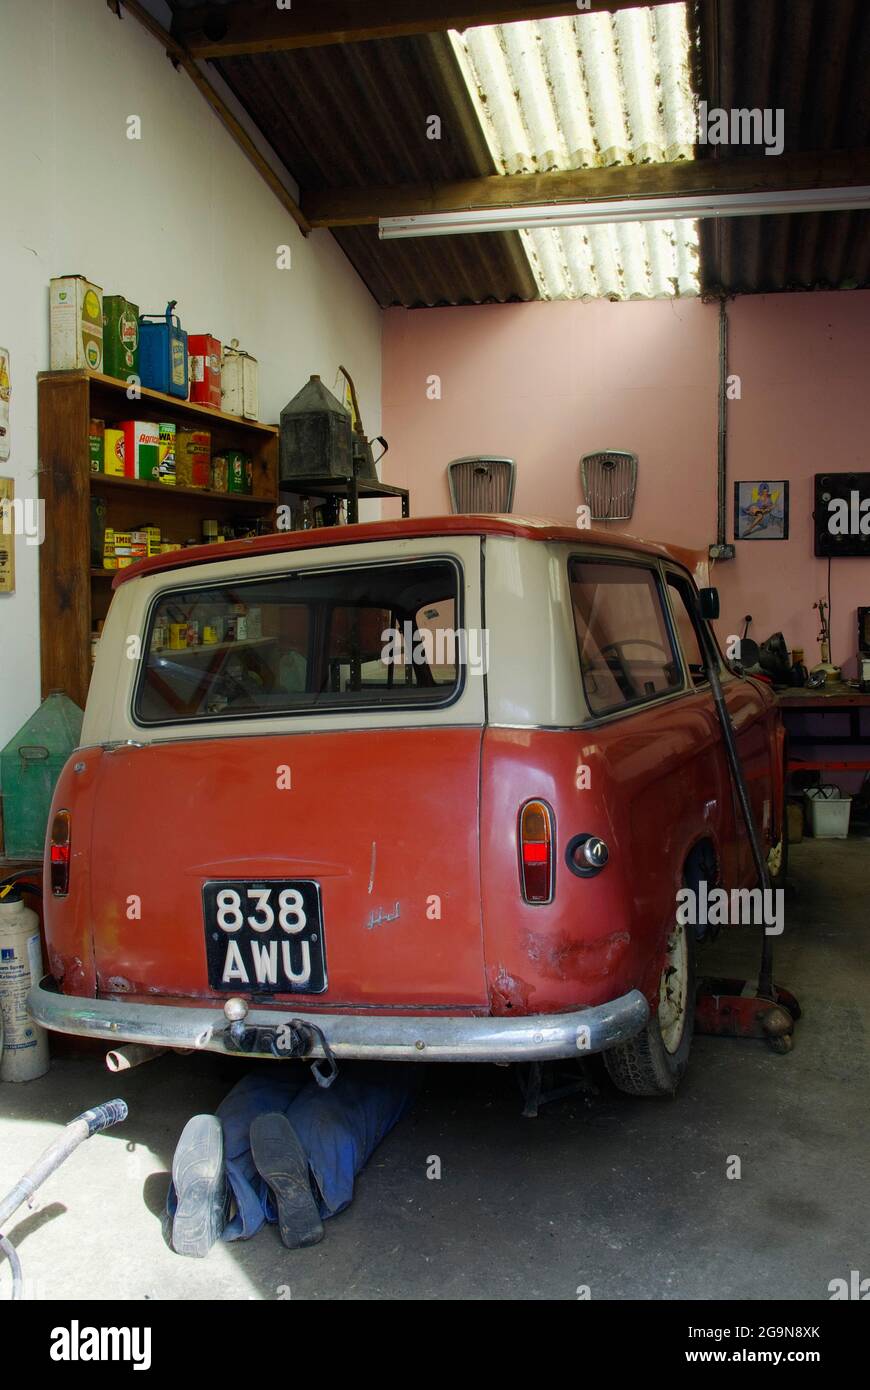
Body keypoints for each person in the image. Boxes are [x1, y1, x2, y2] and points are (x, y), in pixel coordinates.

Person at [167, 1062, 418, 1257]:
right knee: (357, 1090)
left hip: (292, 1020)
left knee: (270, 1080)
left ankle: (223, 1184)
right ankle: (308, 1181)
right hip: (365, 1023)